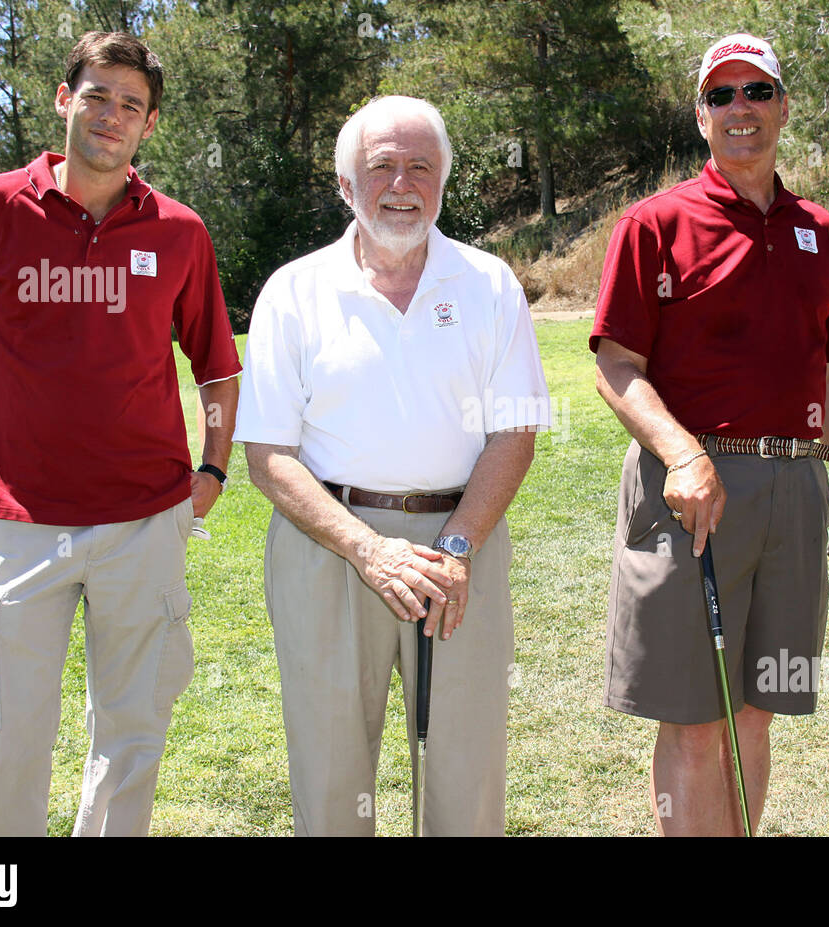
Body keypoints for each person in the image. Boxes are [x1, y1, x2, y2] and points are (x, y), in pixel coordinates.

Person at [0, 31, 241, 836]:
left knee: (131, 736)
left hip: (146, 521)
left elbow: (218, 367)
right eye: (97, 95)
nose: (111, 115)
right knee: (3, 732)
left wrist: (214, 464)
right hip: (22, 522)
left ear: (150, 126)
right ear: (64, 100)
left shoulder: (179, 231)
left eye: (131, 105)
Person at [235, 96, 549, 837]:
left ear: (442, 181)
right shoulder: (294, 291)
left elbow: (514, 433)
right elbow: (268, 455)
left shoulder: (489, 283)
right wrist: (369, 550)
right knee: (333, 771)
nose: (401, 184)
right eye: (381, 167)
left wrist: (461, 542)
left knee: (464, 774)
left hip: (461, 540)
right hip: (331, 548)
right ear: (346, 186)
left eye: (420, 167)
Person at [591, 33, 829, 836]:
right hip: (692, 489)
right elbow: (615, 364)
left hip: (795, 488)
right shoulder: (654, 223)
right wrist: (683, 454)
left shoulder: (824, 230)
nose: (740, 108)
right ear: (702, 117)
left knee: (756, 711)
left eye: (757, 91)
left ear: (783, 106)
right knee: (694, 717)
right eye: (722, 95)